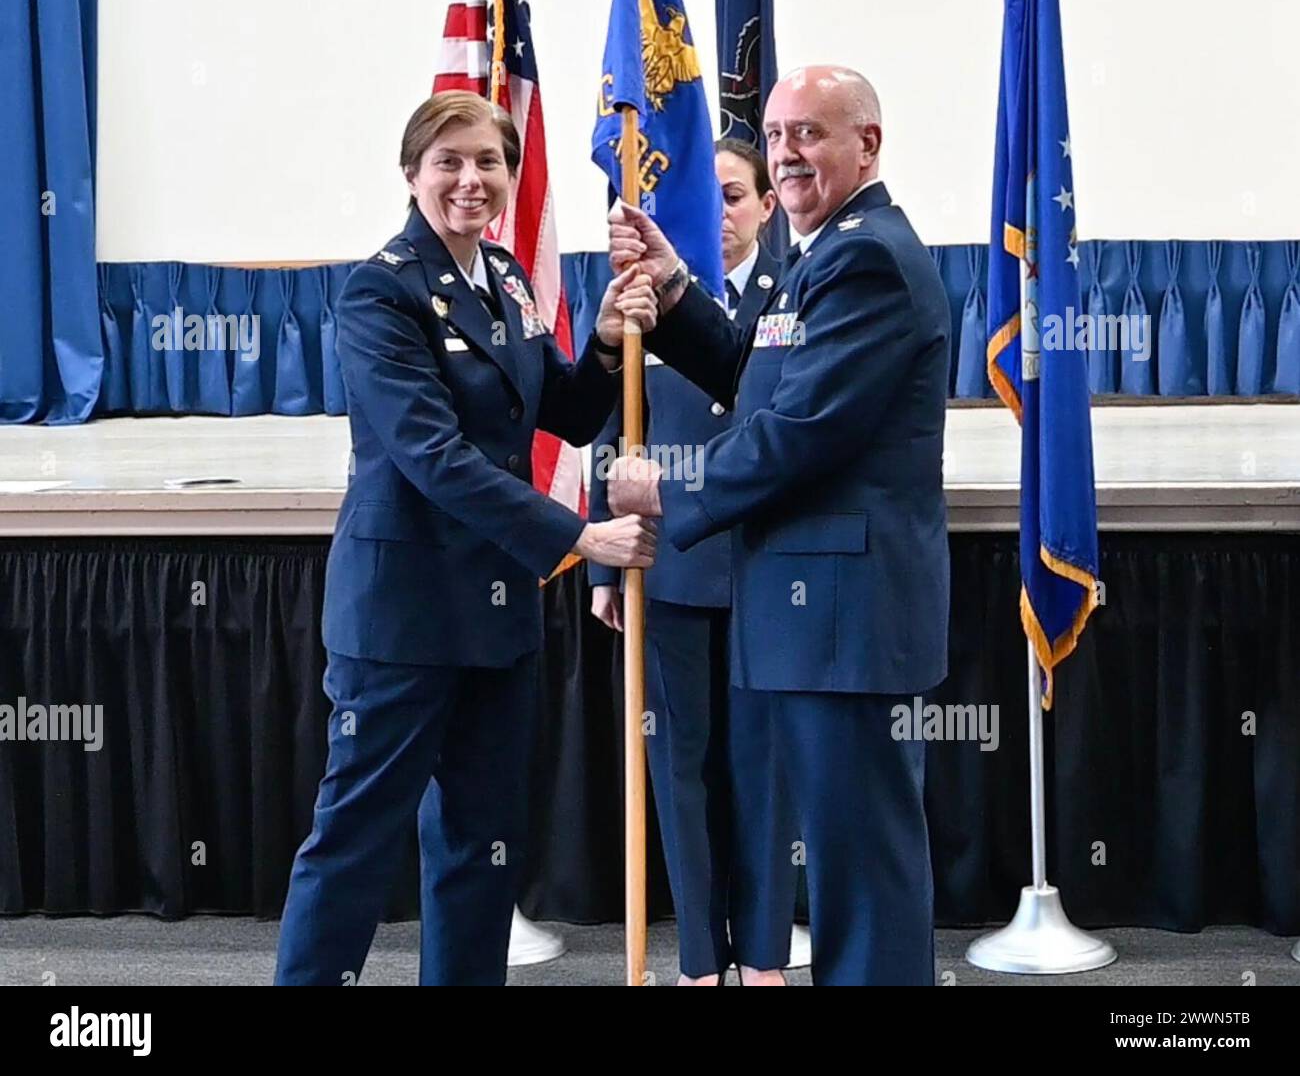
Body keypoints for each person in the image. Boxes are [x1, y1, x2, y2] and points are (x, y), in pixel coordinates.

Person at [275, 91, 658, 986]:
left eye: (489, 161)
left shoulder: (508, 279)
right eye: (448, 161)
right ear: (412, 174)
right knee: (357, 844)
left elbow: (554, 411)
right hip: (402, 621)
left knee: (482, 846)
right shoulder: (380, 290)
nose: (470, 180)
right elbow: (433, 457)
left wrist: (603, 347)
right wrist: (579, 538)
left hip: (494, 613)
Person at [606, 66, 950, 986]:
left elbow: (801, 435)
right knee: (847, 864)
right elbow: (751, 379)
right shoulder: (821, 252)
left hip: (844, 618)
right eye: (779, 133)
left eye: (812, 133)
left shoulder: (864, 257)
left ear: (867, 144)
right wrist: (677, 292)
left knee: (862, 873)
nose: (789, 151)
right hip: (816, 619)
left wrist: (664, 496)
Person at [589, 140, 796, 986]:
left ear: (765, 207)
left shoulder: (793, 298)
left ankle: (765, 955)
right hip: (670, 567)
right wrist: (605, 568)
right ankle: (703, 962)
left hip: (760, 566)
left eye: (734, 196)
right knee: (681, 769)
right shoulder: (642, 308)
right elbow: (611, 429)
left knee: (763, 771)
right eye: (703, 197)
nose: (718, 213)